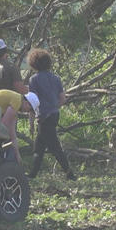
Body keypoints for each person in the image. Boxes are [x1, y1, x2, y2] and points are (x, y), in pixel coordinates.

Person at [27, 48, 76, 180]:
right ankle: (32, 174)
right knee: (39, 146)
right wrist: (54, 107)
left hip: (43, 117)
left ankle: (70, 173)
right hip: (54, 115)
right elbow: (62, 98)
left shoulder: (34, 80)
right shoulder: (56, 78)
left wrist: (31, 121)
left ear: (34, 63)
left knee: (54, 147)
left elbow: (33, 101)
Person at [0, 89, 41, 163]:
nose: (28, 112)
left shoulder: (16, 105)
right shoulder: (17, 101)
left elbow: (13, 135)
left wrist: (17, 155)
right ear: (27, 103)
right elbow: (3, 126)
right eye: (30, 110)